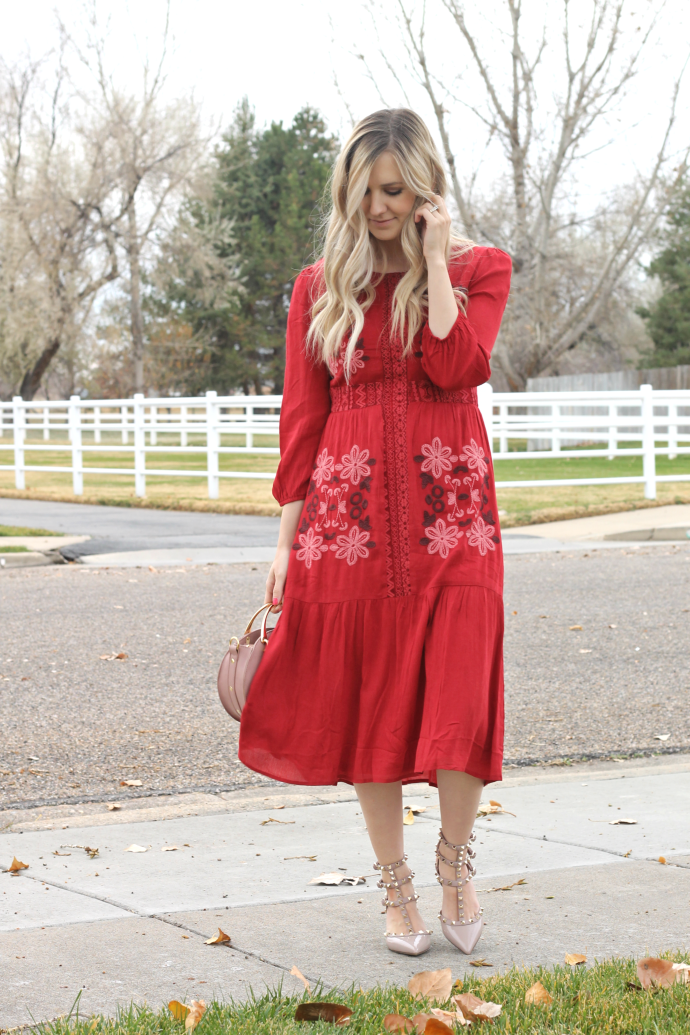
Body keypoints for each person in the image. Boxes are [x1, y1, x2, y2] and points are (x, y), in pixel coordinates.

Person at [238, 108, 511, 957]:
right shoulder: (320, 288)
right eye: (364, 192)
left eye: (394, 191)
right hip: (344, 528)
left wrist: (433, 262)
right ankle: (395, 886)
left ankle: (455, 864)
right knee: (370, 704)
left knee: (460, 693)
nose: (378, 208)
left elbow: (456, 364)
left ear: (425, 188)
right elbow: (304, 417)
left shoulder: (480, 269)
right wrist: (285, 540)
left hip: (455, 518)